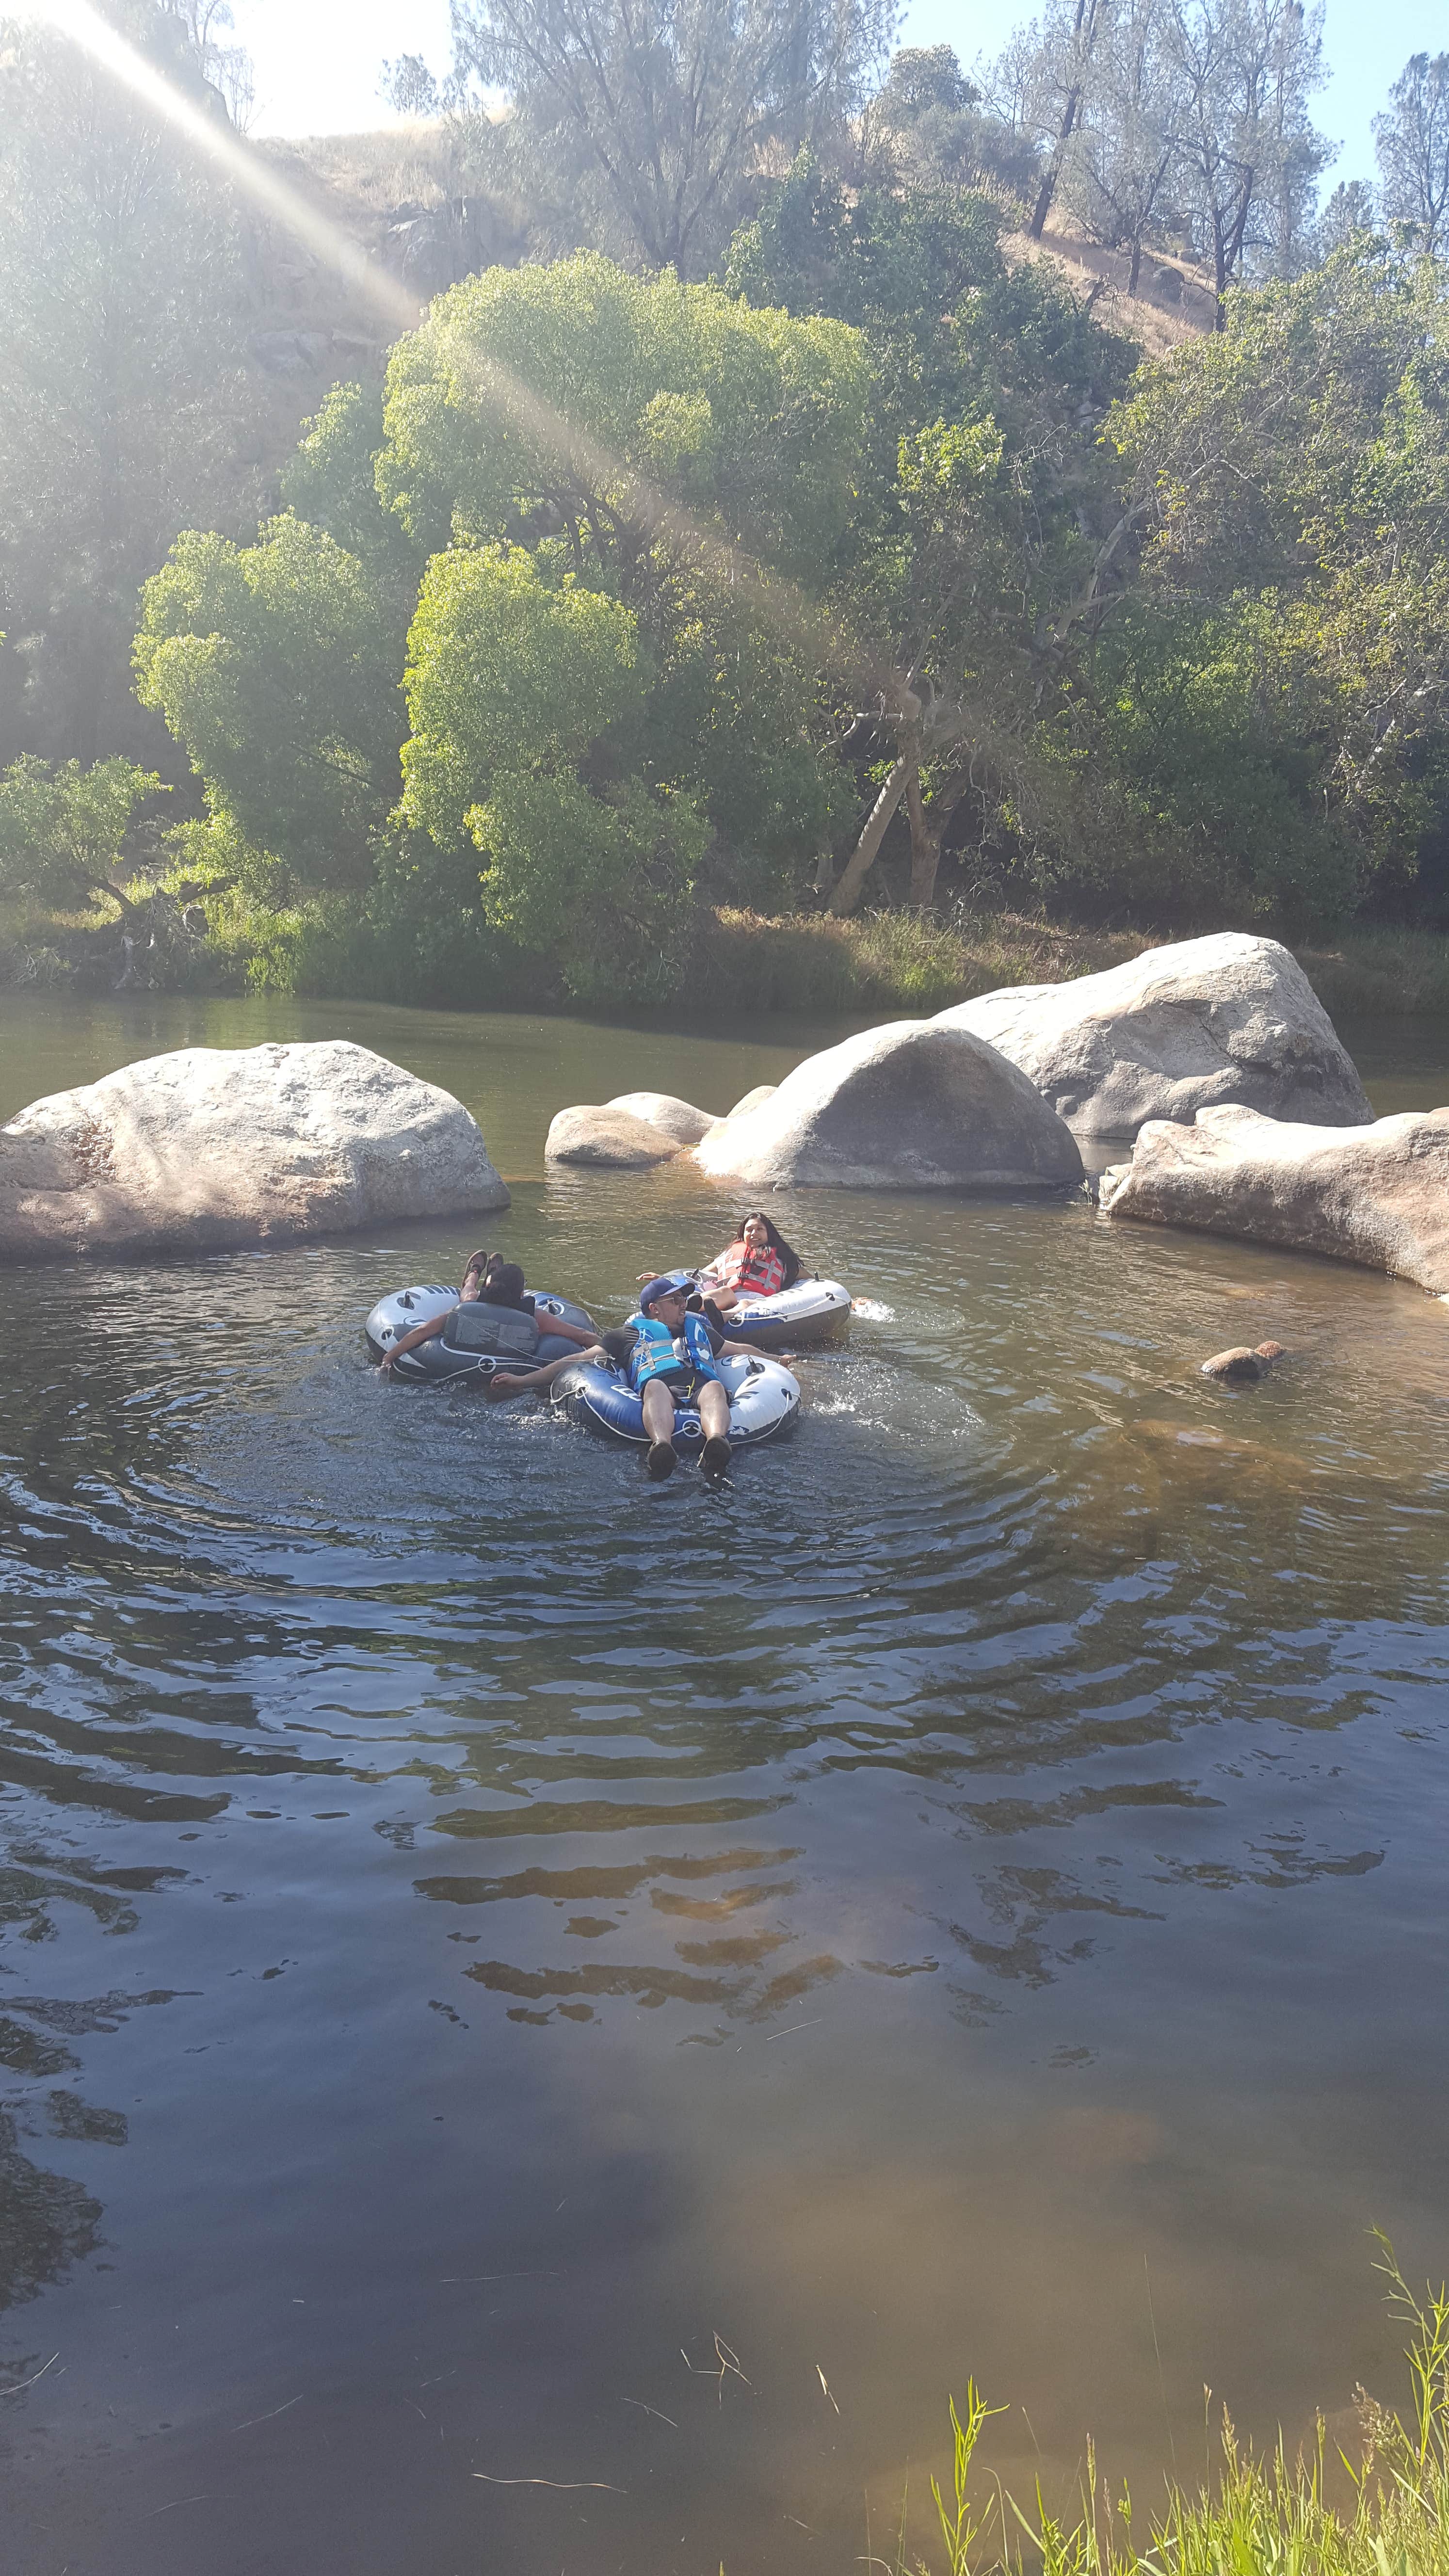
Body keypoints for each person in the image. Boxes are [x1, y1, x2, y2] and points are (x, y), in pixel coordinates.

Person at [486, 1276, 773, 1482]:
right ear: (654, 1309)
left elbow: (740, 1351)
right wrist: (522, 1381)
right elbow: (574, 1361)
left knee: (713, 1389)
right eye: (675, 1300)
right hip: (661, 1385)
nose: (683, 1304)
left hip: (698, 1384)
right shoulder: (628, 1335)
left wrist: (776, 1360)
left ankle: (716, 1443)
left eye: (684, 1299)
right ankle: (662, 1446)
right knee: (655, 1387)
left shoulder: (700, 1332)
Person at [378, 1257, 596, 1378]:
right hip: (511, 1376)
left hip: (453, 1364)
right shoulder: (536, 1317)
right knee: (469, 1299)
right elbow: (582, 1335)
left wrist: (390, 1357)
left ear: (490, 1289)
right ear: (522, 1294)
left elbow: (424, 1331)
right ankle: (477, 1275)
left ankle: (473, 1275)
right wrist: (616, 1351)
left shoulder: (468, 1309)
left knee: (469, 1295)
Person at [698, 1211, 803, 1313]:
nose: (754, 1233)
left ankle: (723, 1317)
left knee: (745, 1303)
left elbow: (809, 1279)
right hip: (730, 1296)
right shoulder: (729, 1254)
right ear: (743, 1234)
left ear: (769, 1233)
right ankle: (692, 1305)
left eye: (760, 1229)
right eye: (749, 1230)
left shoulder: (782, 1258)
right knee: (724, 1292)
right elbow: (701, 1275)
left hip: (759, 1301)